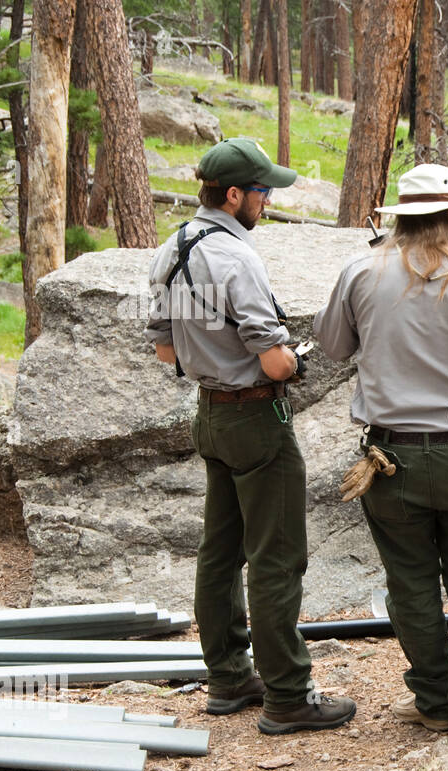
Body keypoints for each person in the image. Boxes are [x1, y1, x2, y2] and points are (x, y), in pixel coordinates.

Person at [314, 164, 448, 747]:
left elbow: (333, 346)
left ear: (400, 219)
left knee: (410, 579)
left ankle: (434, 700)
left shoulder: (362, 272)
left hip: (391, 461)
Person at [146, 136, 355, 735]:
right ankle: (288, 693)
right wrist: (294, 358)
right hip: (257, 420)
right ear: (234, 194)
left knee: (219, 552)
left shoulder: (171, 249)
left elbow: (164, 349)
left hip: (208, 416)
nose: (266, 202)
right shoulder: (237, 258)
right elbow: (275, 362)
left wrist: (211, 354)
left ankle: (229, 677)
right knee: (277, 556)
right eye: (262, 192)